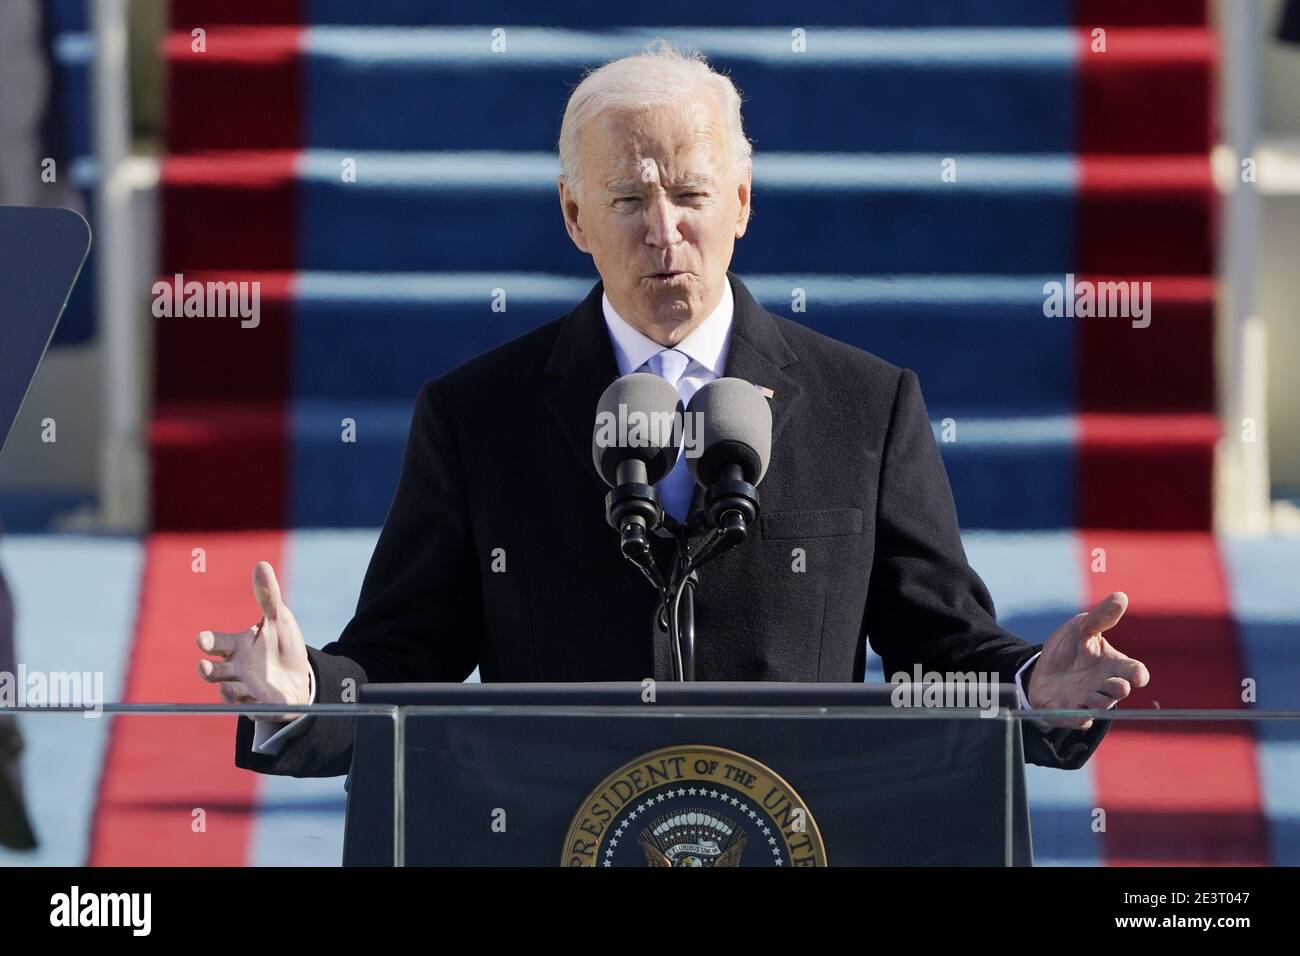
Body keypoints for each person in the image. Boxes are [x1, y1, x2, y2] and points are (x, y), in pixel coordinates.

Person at [197, 43, 1149, 778]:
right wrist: (306, 694)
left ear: (741, 200)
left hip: (801, 834)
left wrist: (1034, 690)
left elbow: (937, 653)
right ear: (573, 216)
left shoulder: (868, 405)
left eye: (692, 196)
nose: (665, 231)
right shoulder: (475, 415)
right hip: (554, 834)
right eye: (627, 199)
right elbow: (405, 666)